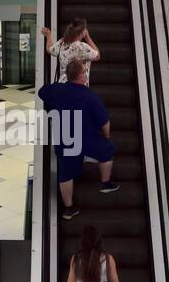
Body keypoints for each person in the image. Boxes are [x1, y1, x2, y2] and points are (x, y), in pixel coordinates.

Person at [38, 58, 118, 221]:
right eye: (84, 71)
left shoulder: (56, 90)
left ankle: (69, 209)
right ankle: (105, 184)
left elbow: (42, 92)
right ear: (81, 76)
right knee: (108, 149)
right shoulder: (90, 96)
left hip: (65, 141)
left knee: (66, 172)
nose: (86, 74)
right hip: (88, 140)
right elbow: (105, 123)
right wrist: (106, 136)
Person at [41, 18, 100, 84]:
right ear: (82, 32)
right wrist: (87, 37)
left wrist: (48, 35)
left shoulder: (62, 43)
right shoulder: (82, 47)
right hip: (79, 86)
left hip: (63, 85)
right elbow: (97, 56)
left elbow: (49, 49)